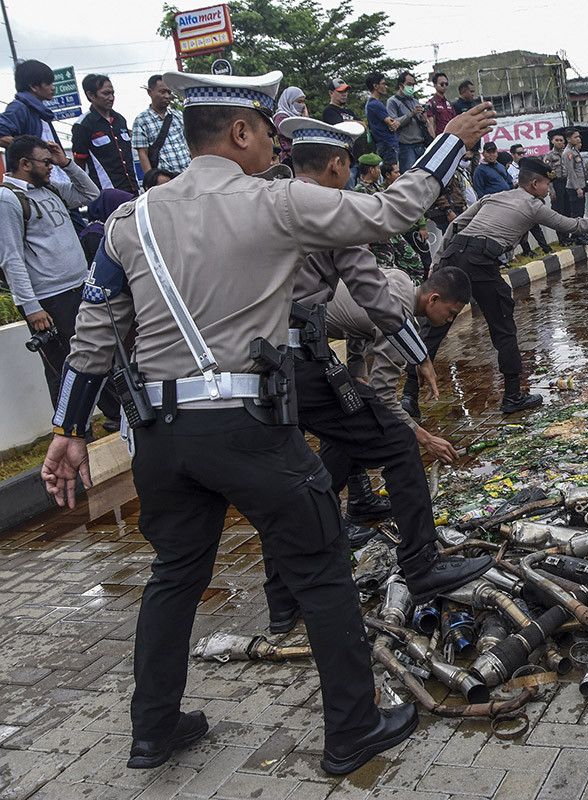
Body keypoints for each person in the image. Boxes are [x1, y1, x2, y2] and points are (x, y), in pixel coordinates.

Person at [38, 68, 495, 776]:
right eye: (266, 136)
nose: (275, 151)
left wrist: (67, 431)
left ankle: (153, 731)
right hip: (246, 428)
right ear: (242, 131)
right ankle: (353, 729)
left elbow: (94, 334)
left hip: (159, 437)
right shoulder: (276, 203)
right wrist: (450, 141)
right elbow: (391, 213)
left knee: (173, 578)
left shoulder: (131, 218)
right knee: (321, 568)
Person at [270, 114, 493, 632]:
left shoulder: (259, 202)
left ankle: (283, 602)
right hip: (293, 362)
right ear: (338, 165)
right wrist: (449, 143)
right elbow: (390, 218)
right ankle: (421, 565)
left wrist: (420, 355)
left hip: (261, 367)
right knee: (393, 438)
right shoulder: (312, 206)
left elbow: (370, 290)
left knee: (280, 484)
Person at [402, 158, 588, 416]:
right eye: (547, 184)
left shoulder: (494, 197)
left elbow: (457, 225)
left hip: (454, 255)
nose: (548, 189)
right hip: (481, 262)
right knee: (503, 327)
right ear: (534, 184)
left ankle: (408, 396)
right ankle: (512, 395)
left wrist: (437, 262)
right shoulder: (533, 205)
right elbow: (571, 225)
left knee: (433, 329)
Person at [0, 134, 117, 426]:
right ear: (25, 164)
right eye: (46, 162)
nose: (51, 166)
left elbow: (91, 194)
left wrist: (67, 163)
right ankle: (71, 432)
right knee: (64, 369)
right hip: (50, 299)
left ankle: (117, 418)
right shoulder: (9, 200)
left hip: (80, 286)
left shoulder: (49, 187)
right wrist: (31, 307)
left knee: (98, 356)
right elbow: (11, 258)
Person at [325, 267, 469, 464]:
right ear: (433, 299)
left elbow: (359, 320)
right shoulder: (397, 323)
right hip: (296, 333)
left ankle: (357, 490)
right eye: (451, 313)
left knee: (350, 411)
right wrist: (425, 439)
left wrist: (356, 369)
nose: (450, 320)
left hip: (299, 310)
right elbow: (383, 395)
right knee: (384, 429)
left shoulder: (400, 277)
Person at [71, 74, 139, 195]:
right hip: (107, 193)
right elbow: (79, 164)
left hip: (132, 188)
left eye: (113, 93)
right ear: (91, 95)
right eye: (106, 93)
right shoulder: (82, 125)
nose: (111, 98)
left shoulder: (120, 120)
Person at [0, 61, 64, 167]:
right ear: (34, 86)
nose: (53, 87)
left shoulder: (40, 111)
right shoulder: (19, 108)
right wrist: (33, 152)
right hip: (33, 179)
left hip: (51, 178)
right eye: (48, 83)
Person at [130, 75, 192, 177]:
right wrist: (152, 180)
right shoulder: (141, 120)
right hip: (165, 180)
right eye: (162, 92)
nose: (167, 96)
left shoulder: (178, 115)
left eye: (169, 92)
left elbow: (189, 142)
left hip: (187, 174)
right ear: (150, 92)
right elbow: (143, 153)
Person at [507, 144, 552, 256]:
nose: (522, 155)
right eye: (519, 153)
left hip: (532, 199)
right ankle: (527, 251)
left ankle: (546, 248)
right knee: (523, 229)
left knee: (536, 227)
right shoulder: (509, 169)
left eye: (523, 153)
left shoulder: (528, 167)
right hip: (519, 201)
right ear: (512, 155)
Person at [387, 71, 430, 172]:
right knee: (409, 177)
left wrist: (423, 119)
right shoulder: (392, 101)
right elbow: (394, 123)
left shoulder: (414, 101)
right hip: (406, 147)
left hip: (420, 144)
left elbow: (421, 121)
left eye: (413, 85)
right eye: (409, 84)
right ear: (401, 86)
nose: (411, 87)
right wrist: (411, 114)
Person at [562, 129, 588, 243]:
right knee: (576, 213)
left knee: (581, 212)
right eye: (575, 137)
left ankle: (581, 233)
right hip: (574, 187)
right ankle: (577, 236)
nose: (578, 139)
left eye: (579, 136)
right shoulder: (568, 153)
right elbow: (571, 172)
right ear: (569, 139)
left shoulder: (575, 151)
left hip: (581, 185)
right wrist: (577, 188)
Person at [365, 72, 400, 164]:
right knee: (392, 172)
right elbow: (392, 123)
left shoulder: (371, 103)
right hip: (387, 145)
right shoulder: (375, 104)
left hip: (385, 144)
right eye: (383, 84)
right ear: (375, 86)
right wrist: (395, 123)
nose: (386, 86)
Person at [272, 86, 307, 163]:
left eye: (303, 102)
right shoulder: (280, 117)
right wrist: (305, 120)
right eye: (299, 102)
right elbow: (295, 134)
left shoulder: (295, 116)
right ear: (289, 101)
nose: (303, 105)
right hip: (287, 159)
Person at [543, 132, 568, 217]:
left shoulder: (567, 153)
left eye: (561, 140)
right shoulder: (549, 156)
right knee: (558, 209)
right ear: (552, 141)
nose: (559, 142)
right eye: (556, 140)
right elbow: (547, 173)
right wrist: (551, 189)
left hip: (567, 182)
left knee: (568, 208)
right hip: (556, 183)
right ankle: (560, 230)